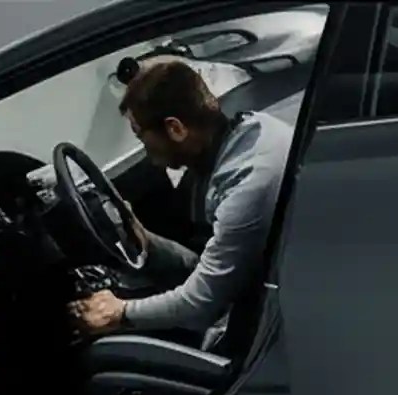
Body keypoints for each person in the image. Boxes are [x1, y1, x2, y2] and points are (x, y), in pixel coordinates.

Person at [68, 58, 295, 350]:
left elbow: (201, 304)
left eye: (141, 136)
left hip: (264, 328)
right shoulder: (251, 130)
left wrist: (117, 312)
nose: (145, 149)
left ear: (175, 129)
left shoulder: (247, 185)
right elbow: (209, 266)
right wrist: (148, 242)